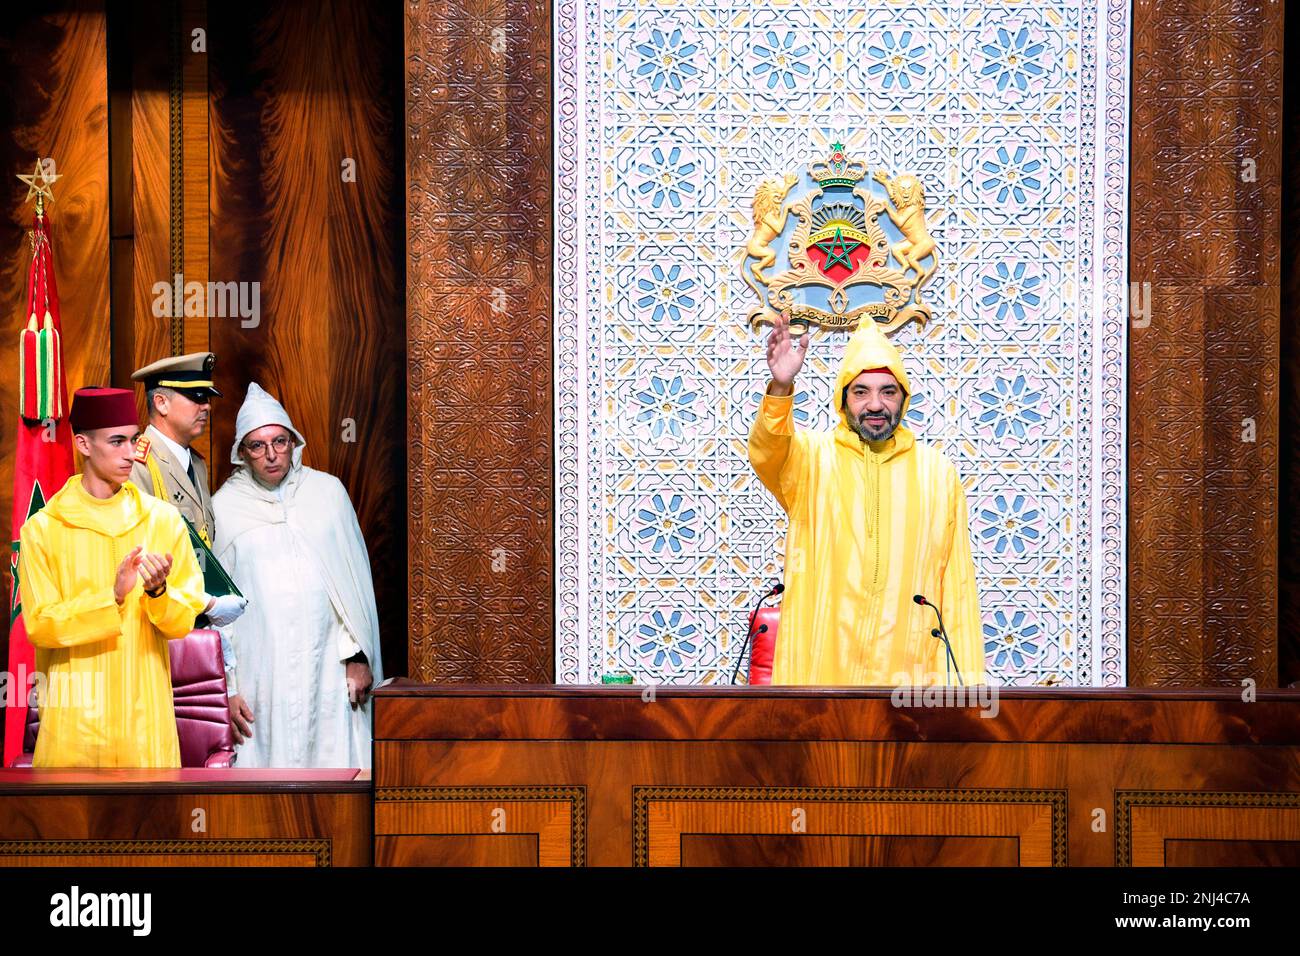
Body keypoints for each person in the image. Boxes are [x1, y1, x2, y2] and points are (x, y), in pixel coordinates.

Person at [748, 311, 985, 686]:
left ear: (904, 399)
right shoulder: (811, 460)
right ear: (843, 401)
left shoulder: (937, 473)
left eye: (888, 392)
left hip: (910, 681)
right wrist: (781, 387)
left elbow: (957, 589)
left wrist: (963, 692)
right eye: (861, 392)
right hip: (821, 674)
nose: (875, 404)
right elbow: (767, 452)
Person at [17, 387, 208, 767]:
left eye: (134, 440)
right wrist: (113, 598)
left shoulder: (162, 520)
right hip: (74, 730)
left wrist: (158, 591)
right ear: (83, 444)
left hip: (145, 727)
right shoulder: (44, 529)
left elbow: (183, 621)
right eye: (117, 441)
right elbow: (39, 625)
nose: (130, 453)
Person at [212, 383, 383, 768]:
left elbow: (353, 589)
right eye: (258, 446)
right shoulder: (224, 507)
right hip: (262, 668)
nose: (271, 455)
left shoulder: (327, 493)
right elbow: (218, 609)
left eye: (279, 441)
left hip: (329, 666)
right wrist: (228, 687)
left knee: (332, 756)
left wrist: (358, 656)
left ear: (293, 442)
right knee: (270, 760)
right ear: (242, 453)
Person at [129, 352, 251, 740]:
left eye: (207, 397)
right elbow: (138, 559)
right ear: (161, 402)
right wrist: (206, 603)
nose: (205, 406)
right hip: (155, 632)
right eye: (196, 397)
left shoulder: (194, 463)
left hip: (192, 629)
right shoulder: (137, 464)